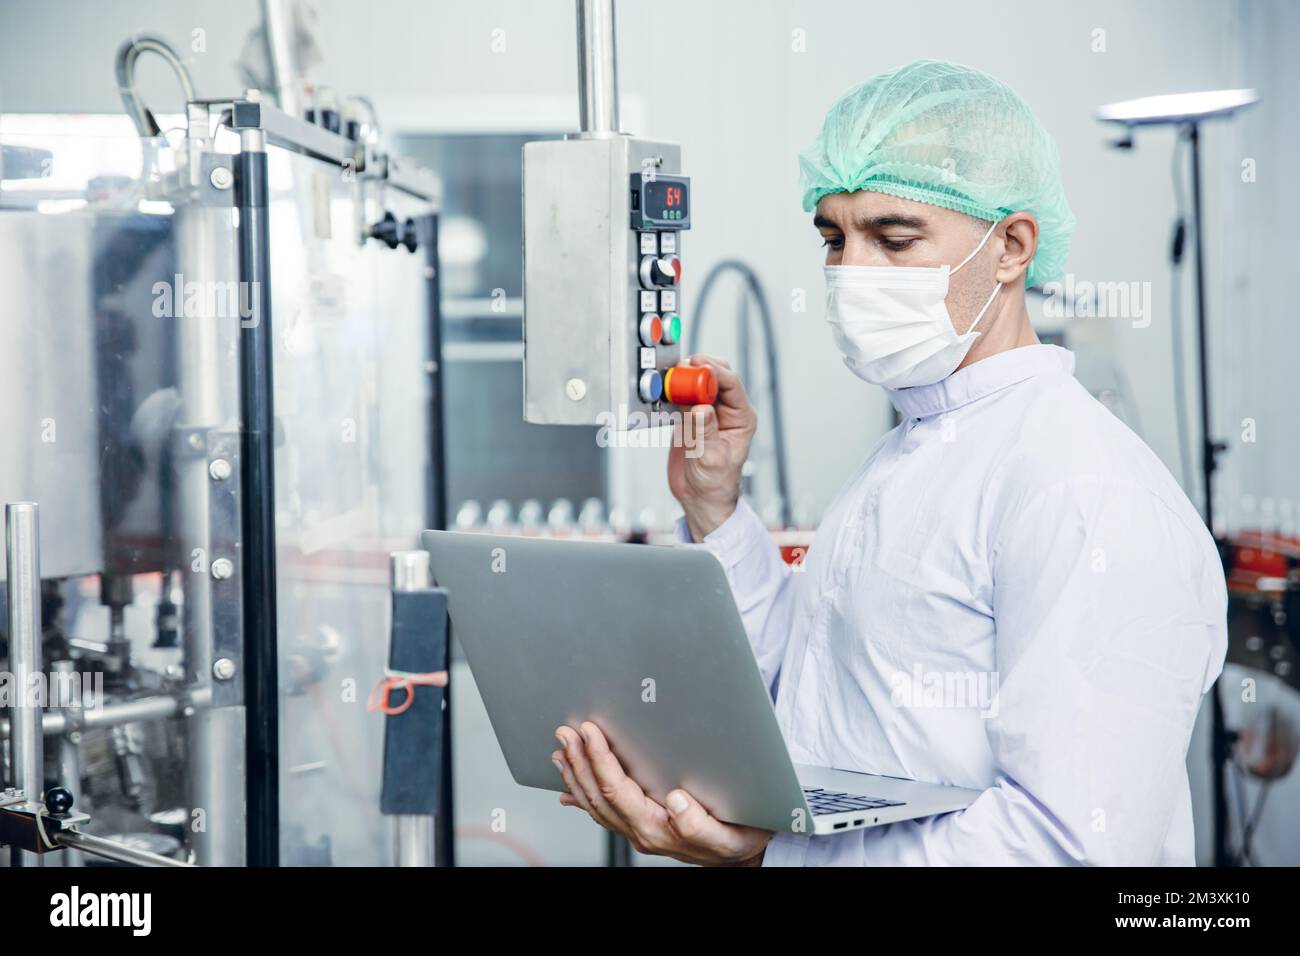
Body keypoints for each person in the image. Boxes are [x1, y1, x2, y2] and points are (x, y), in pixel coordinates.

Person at [551, 59, 1227, 866]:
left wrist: (773, 857)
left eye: (893, 238)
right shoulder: (911, 451)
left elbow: (1069, 847)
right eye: (834, 237)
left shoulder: (1083, 491)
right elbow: (815, 694)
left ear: (1011, 246)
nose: (850, 273)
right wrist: (716, 507)